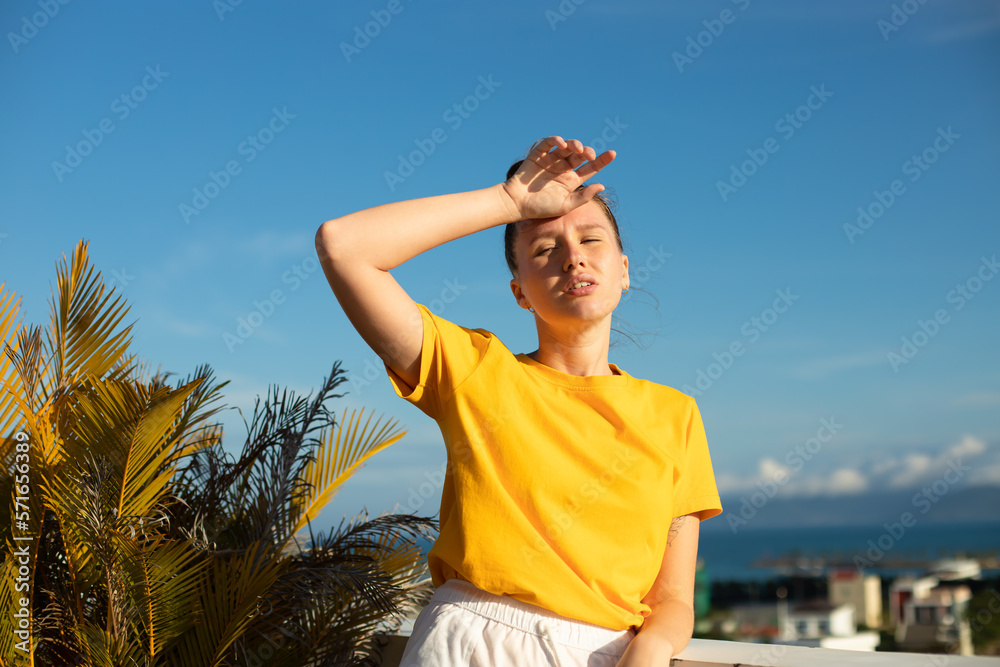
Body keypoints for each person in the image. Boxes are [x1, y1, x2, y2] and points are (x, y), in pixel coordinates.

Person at [315, 136, 722, 666]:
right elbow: (344, 245)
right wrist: (509, 203)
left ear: (624, 269)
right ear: (520, 293)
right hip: (471, 644)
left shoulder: (677, 415)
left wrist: (650, 648)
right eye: (544, 249)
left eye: (591, 239)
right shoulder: (476, 369)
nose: (573, 257)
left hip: (609, 656)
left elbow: (672, 601)